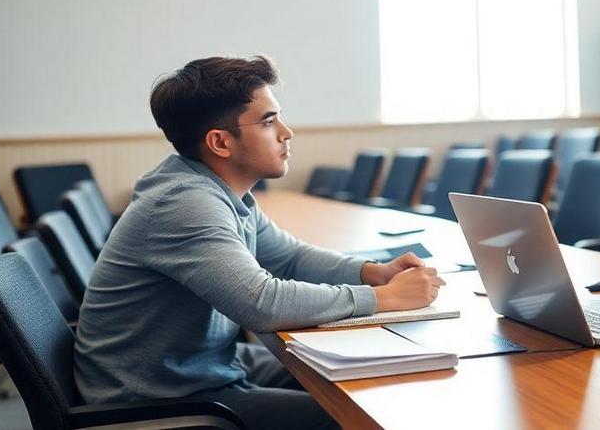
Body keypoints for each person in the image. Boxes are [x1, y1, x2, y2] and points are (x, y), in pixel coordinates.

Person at [74, 56, 444, 429]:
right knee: (358, 417)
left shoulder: (213, 189)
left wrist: (371, 273)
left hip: (199, 367)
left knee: (365, 384)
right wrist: (386, 299)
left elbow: (288, 257)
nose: (286, 132)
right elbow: (263, 304)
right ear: (220, 142)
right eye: (268, 121)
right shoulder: (185, 204)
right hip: (157, 399)